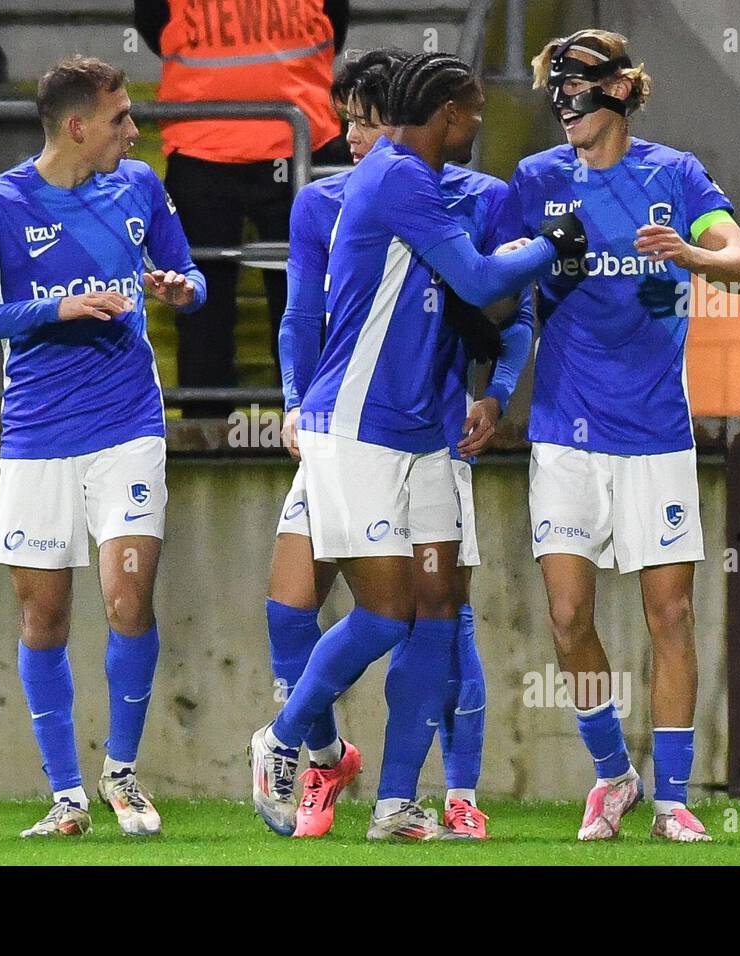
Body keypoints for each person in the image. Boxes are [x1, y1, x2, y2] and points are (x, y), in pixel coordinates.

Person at [249, 51, 586, 841]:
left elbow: (498, 305)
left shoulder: (445, 187)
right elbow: (473, 277)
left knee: (434, 617)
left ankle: (398, 802)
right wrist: (555, 241)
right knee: (383, 612)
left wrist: (497, 387)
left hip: (431, 437)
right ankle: (287, 737)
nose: (478, 124)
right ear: (443, 114)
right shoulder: (394, 179)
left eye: (365, 115)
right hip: (360, 428)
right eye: (471, 112)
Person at [494, 29, 740, 842]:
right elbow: (499, 286)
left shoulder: (674, 176)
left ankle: (674, 800)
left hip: (655, 434)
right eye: (555, 90)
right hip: (565, 435)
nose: (562, 103)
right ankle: (614, 779)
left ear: (615, 90)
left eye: (573, 87)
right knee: (569, 618)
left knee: (669, 616)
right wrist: (499, 383)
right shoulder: (535, 179)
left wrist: (689, 253)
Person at [0, 56, 206, 838]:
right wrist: (57, 307)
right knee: (43, 619)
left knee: (127, 599)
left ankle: (122, 774)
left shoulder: (142, 187)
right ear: (79, 126)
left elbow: (189, 274)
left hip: (127, 424)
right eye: (122, 118)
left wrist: (182, 288)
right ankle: (66, 799)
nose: (135, 128)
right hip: (35, 435)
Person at [134, 0, 352, 416]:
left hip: (285, 148)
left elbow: (153, 26)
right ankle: (240, 427)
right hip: (246, 148)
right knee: (207, 299)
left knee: (294, 301)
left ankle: (309, 421)